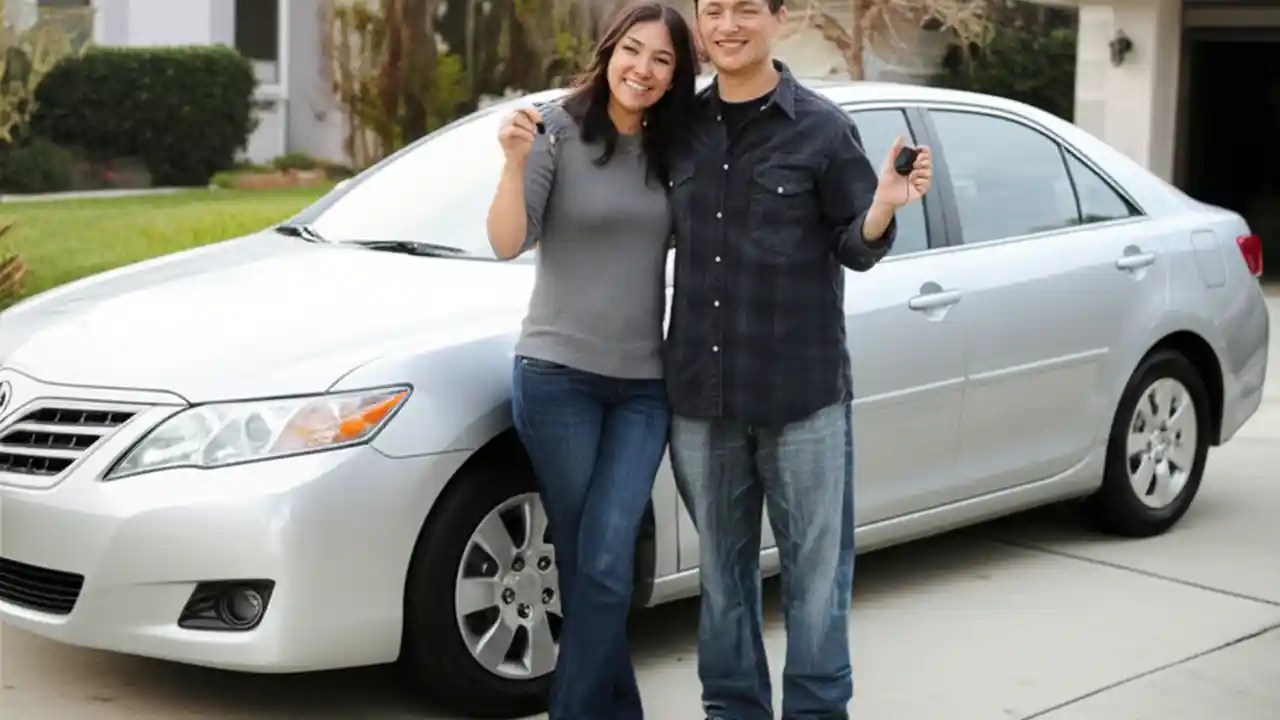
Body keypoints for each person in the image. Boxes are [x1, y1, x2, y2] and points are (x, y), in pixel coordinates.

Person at [662, 1, 933, 718]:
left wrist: (882, 207)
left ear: (779, 18)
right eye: (712, 9)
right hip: (702, 400)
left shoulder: (821, 128)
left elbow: (855, 244)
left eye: (745, 8)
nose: (727, 24)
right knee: (721, 582)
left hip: (802, 401)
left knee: (816, 582)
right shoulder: (679, 129)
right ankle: (733, 709)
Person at [485, 3, 700, 718]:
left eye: (662, 59)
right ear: (610, 51)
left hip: (644, 387)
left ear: (675, 76)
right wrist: (515, 164)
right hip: (557, 379)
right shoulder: (555, 130)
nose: (643, 68)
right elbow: (508, 240)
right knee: (593, 566)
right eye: (633, 51)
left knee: (603, 564)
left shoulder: (679, 150)